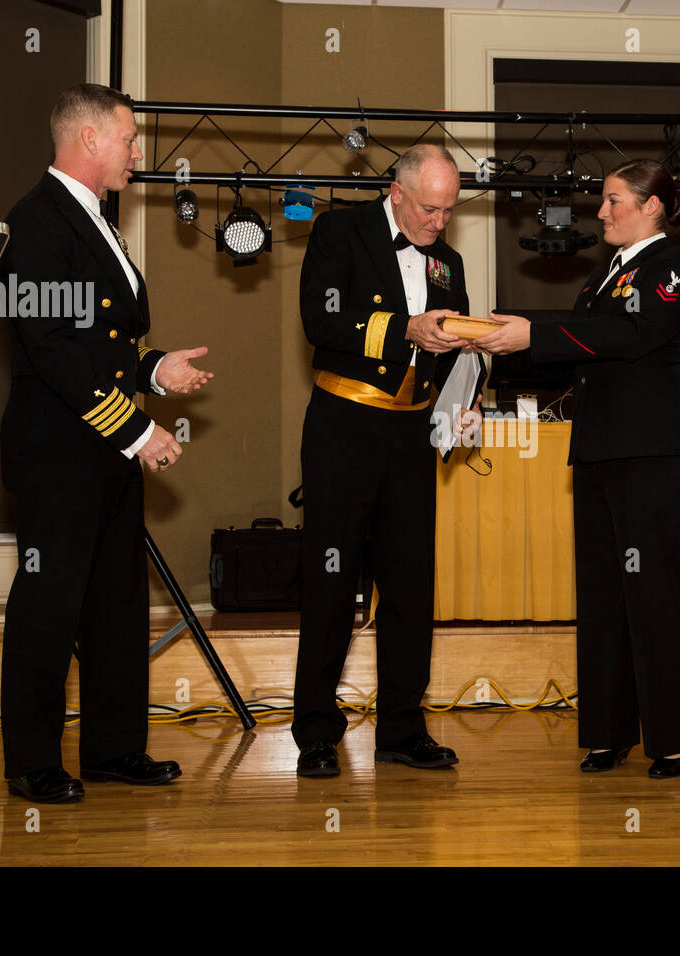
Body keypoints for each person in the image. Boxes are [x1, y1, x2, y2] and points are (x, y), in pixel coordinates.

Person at [0, 83, 213, 802]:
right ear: (87, 138)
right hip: (61, 452)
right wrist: (139, 427)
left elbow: (106, 347)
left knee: (115, 605)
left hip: (107, 451)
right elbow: (52, 349)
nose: (137, 151)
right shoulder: (34, 221)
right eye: (128, 138)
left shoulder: (97, 220)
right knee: (49, 604)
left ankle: (114, 749)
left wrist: (156, 368)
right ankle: (32, 762)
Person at [474, 159, 680, 778]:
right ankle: (607, 732)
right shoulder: (604, 275)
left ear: (651, 205)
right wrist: (486, 342)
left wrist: (533, 333)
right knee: (602, 594)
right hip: (600, 447)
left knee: (651, 592)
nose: (600, 213)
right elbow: (578, 344)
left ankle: (672, 739)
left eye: (611, 201)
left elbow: (631, 335)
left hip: (653, 448)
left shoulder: (673, 264)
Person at [292, 144, 472, 778]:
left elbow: (454, 352)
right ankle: (316, 731)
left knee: (410, 585)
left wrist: (462, 404)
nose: (438, 222)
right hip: (346, 426)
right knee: (332, 582)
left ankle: (401, 727)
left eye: (449, 210)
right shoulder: (339, 230)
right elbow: (323, 318)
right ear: (396, 192)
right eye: (429, 208)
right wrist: (406, 330)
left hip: (412, 437)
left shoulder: (447, 262)